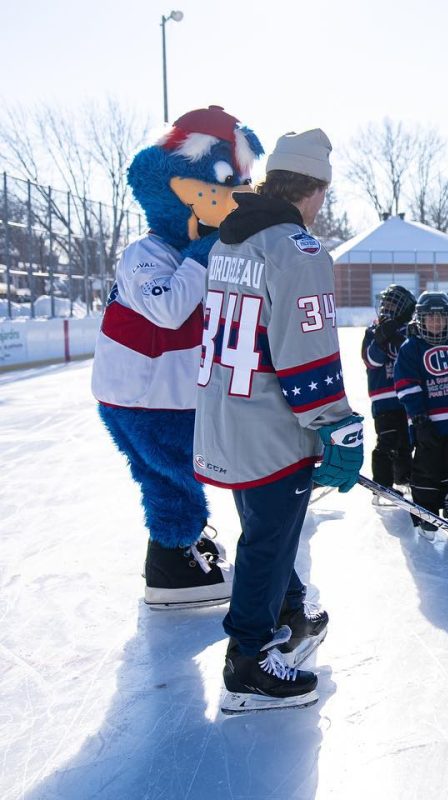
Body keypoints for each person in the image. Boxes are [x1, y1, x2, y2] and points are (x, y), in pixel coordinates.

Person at [194, 129, 361, 713]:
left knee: (269, 526)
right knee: (268, 536)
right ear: (314, 190)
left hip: (225, 413)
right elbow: (305, 351)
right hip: (271, 424)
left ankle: (288, 609)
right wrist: (337, 425)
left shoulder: (227, 241)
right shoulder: (297, 248)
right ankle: (248, 662)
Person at [94, 106, 262, 608]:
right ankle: (171, 566)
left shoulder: (196, 252)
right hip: (143, 396)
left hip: (168, 391)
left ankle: (179, 545)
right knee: (170, 478)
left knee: (175, 475)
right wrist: (203, 254)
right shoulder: (143, 253)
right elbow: (167, 309)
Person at [394, 292, 448, 532]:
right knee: (427, 468)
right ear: (421, 319)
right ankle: (426, 511)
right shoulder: (411, 348)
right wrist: (418, 418)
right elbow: (406, 384)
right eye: (431, 318)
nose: (437, 323)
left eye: (441, 318)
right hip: (430, 423)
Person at [362, 285, 416, 500]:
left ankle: (403, 477)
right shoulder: (372, 331)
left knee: (407, 441)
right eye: (384, 303)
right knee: (387, 441)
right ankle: (381, 485)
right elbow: (372, 360)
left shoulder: (410, 330)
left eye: (392, 304)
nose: (386, 308)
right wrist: (381, 338)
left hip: (407, 397)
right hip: (384, 399)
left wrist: (394, 336)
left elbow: (406, 355)